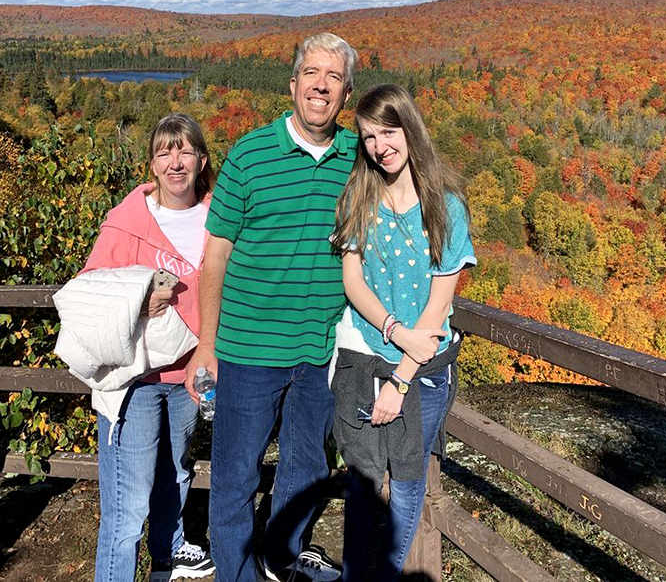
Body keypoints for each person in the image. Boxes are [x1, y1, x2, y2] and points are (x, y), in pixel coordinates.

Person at [185, 32, 359, 582]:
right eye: (312, 73)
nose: (321, 85)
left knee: (307, 468)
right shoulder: (250, 155)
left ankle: (282, 558)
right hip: (248, 347)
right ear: (292, 84)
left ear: (346, 94)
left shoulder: (359, 158)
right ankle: (236, 573)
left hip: (320, 350)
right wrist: (206, 347)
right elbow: (215, 256)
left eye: (334, 77)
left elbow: (406, 203)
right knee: (236, 474)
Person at [331, 84, 476, 581]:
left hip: (424, 372)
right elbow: (353, 281)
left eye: (388, 132)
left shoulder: (445, 207)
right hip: (368, 357)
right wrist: (394, 330)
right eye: (369, 136)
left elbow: (437, 310)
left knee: (409, 480)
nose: (379, 146)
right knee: (365, 477)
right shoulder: (360, 195)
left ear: (409, 129)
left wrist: (400, 381)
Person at [84, 114, 217, 582]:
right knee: (126, 506)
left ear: (201, 160)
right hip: (136, 380)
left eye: (184, 152)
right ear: (153, 164)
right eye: (165, 152)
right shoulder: (129, 221)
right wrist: (141, 296)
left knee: (177, 474)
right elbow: (90, 289)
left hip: (189, 376)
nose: (175, 162)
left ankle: (168, 556)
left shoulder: (218, 217)